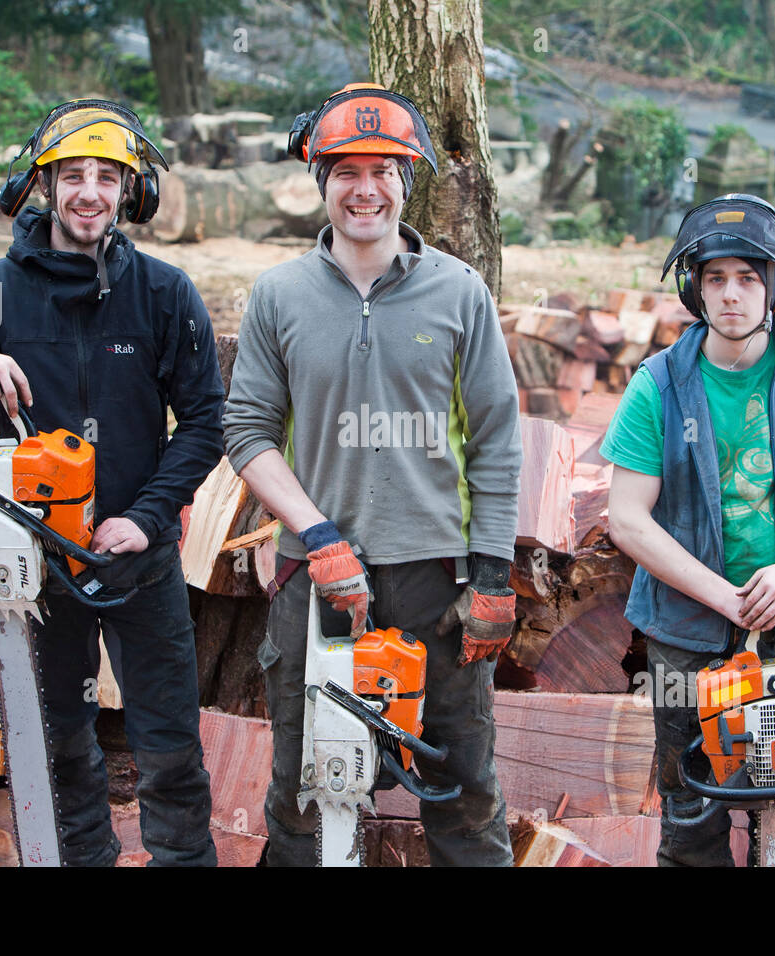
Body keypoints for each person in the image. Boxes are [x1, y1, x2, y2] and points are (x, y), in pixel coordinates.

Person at [0, 99, 224, 866]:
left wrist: (147, 517)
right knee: (60, 747)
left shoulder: (165, 293)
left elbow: (206, 423)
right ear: (44, 185)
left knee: (170, 746)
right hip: (38, 561)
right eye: (73, 175)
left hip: (140, 557)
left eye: (107, 177)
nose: (90, 193)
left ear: (132, 190)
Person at [223, 83, 522, 866]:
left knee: (462, 788)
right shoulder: (280, 295)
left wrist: (494, 573)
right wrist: (318, 535)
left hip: (439, 581)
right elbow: (247, 431)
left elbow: (497, 438)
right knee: (305, 787)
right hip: (316, 576)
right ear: (321, 181)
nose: (365, 190)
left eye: (383, 170)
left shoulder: (459, 292)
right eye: (347, 172)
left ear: (406, 180)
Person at [602, 193, 775, 866]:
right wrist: (726, 598)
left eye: (748, 277)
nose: (731, 294)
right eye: (715, 277)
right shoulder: (658, 385)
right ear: (693, 285)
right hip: (687, 636)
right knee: (692, 818)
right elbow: (627, 517)